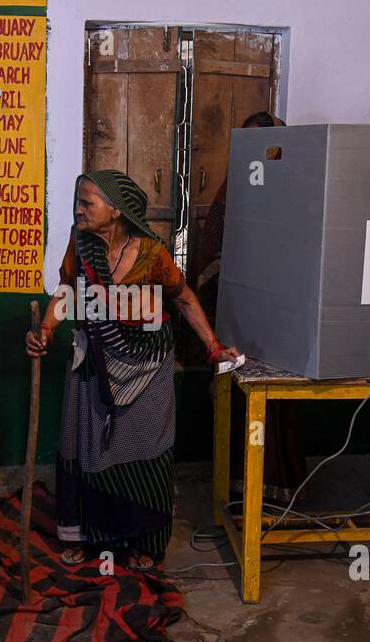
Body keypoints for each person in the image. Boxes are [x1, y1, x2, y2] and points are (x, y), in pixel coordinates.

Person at [28, 169, 241, 570]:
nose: (78, 209)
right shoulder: (81, 245)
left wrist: (213, 347)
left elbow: (184, 299)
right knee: (87, 448)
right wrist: (46, 330)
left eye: (86, 202)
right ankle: (89, 535)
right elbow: (66, 290)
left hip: (148, 366)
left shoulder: (153, 254)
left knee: (143, 449)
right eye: (77, 201)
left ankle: (142, 539)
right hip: (94, 362)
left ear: (116, 210)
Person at [189, 111, 305, 503]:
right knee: (239, 392)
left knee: (280, 398)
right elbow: (213, 255)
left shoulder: (297, 192)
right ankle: (238, 486)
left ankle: (278, 486)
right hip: (240, 311)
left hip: (284, 315)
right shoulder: (233, 191)